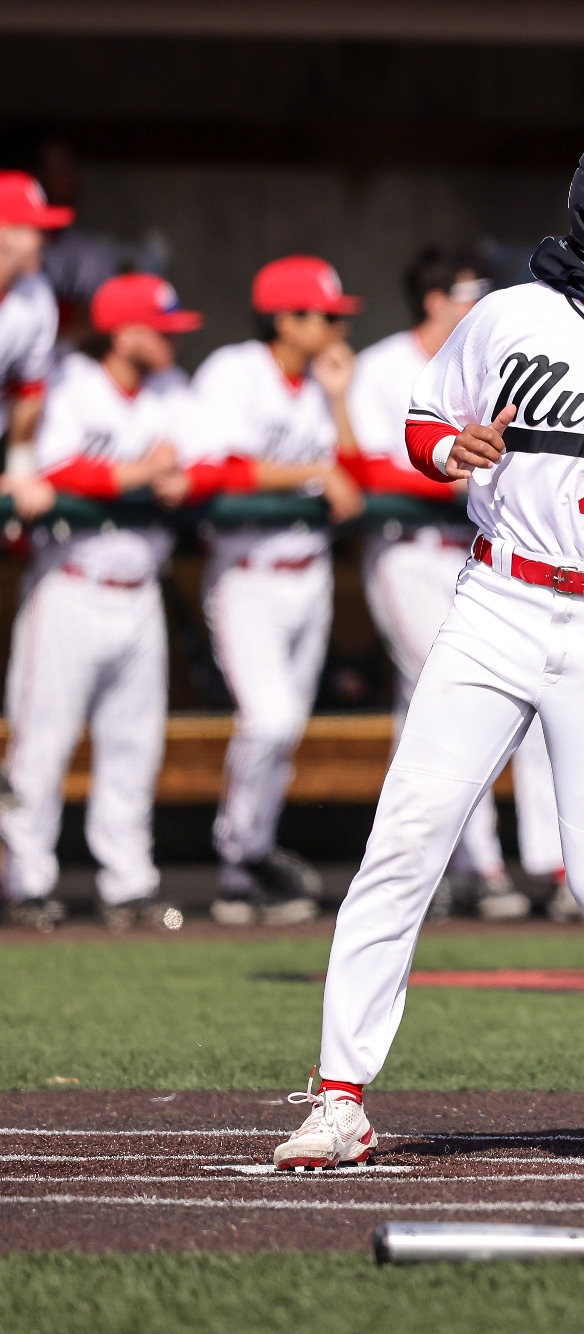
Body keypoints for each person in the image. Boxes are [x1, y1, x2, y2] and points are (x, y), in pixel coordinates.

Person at [273, 128, 584, 1170]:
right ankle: (339, 1094)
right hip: (495, 599)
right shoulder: (506, 314)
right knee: (404, 838)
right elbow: (423, 418)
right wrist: (454, 449)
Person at [346, 245, 549, 923]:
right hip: (407, 552)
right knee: (463, 699)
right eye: (469, 289)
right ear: (435, 299)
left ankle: (427, 871)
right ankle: (482, 866)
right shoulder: (381, 365)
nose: (481, 300)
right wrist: (454, 469)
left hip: (480, 553)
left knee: (433, 712)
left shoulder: (492, 362)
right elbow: (371, 469)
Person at [0, 275, 195, 932]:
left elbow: (202, 466)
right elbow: (52, 472)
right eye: (162, 329)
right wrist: (141, 473)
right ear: (125, 332)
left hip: (139, 589)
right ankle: (27, 883)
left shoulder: (171, 391)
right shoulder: (74, 382)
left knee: (134, 745)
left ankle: (128, 882)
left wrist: (173, 476)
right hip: (70, 584)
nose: (172, 340)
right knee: (43, 743)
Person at [182, 255, 365, 925]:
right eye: (325, 316)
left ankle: (242, 873)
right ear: (285, 319)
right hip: (247, 572)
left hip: (307, 572)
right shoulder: (235, 371)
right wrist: (312, 471)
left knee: (283, 731)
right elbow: (212, 470)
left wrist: (341, 400)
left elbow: (353, 480)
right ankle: (242, 847)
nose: (335, 327)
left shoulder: (321, 382)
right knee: (271, 718)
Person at [0, 171, 67, 480]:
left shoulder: (37, 294)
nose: (45, 239)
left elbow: (29, 391)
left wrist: (20, 472)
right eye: (35, 229)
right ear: (4, 233)